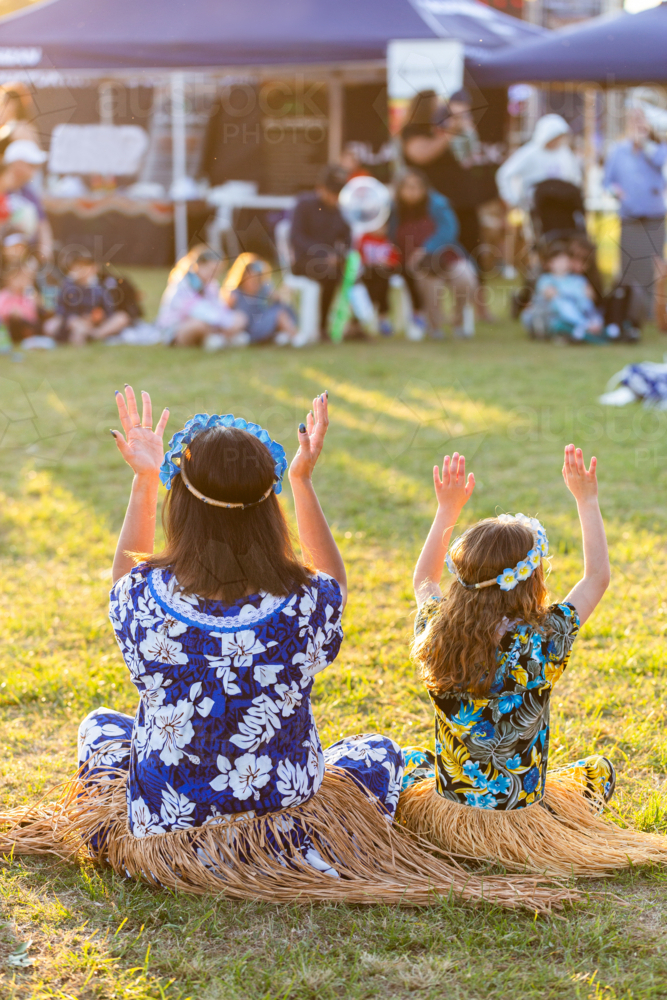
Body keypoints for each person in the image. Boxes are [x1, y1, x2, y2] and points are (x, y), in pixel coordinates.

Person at [395, 447, 667, 876]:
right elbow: (597, 577)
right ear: (532, 580)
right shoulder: (543, 639)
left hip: (448, 813)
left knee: (408, 761)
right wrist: (587, 500)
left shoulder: (435, 628)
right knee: (598, 773)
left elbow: (423, 580)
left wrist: (447, 508)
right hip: (521, 817)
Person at [391, 169, 477, 339]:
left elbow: (449, 230)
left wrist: (426, 249)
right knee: (431, 283)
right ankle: (435, 326)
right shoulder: (395, 210)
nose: (413, 191)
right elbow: (391, 236)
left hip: (446, 256)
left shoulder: (437, 204)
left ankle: (458, 321)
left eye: (417, 187)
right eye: (408, 187)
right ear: (399, 190)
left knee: (466, 278)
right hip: (417, 264)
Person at [604, 107, 667, 312]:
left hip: (654, 216)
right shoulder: (618, 151)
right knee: (629, 266)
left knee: (653, 266)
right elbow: (607, 181)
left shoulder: (658, 148)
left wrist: (645, 145)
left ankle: (653, 310)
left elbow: (660, 161)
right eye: (634, 121)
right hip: (630, 217)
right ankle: (629, 310)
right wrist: (619, 194)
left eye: (642, 121)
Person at [289, 165, 351, 340]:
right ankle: (322, 326)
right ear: (320, 188)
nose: (335, 197)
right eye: (332, 192)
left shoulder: (340, 211)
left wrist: (341, 256)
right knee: (329, 274)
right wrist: (323, 255)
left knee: (355, 274)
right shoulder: (304, 205)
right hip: (304, 262)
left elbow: (347, 239)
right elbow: (296, 238)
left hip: (332, 263)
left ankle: (354, 325)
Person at [156, 246, 248, 349]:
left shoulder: (212, 285)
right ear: (199, 265)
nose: (214, 274)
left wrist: (233, 320)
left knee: (240, 317)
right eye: (212, 270)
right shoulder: (183, 284)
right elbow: (198, 311)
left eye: (218, 271)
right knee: (199, 324)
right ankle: (219, 338)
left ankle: (217, 338)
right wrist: (227, 322)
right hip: (178, 327)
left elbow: (219, 307)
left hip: (210, 322)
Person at [521, 241, 606, 343]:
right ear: (549, 264)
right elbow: (552, 296)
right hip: (552, 316)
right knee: (561, 303)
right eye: (558, 261)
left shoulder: (577, 280)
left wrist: (583, 295)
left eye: (564, 260)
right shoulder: (546, 279)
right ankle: (584, 326)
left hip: (577, 310)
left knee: (584, 302)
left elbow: (589, 296)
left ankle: (592, 325)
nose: (562, 264)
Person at [497, 114, 582, 213]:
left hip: (561, 206)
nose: (557, 141)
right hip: (536, 207)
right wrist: (512, 200)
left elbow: (575, 177)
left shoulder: (565, 153)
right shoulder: (529, 153)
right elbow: (504, 174)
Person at [45, 254, 131, 345]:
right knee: (72, 326)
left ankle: (95, 335)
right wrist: (78, 318)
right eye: (79, 266)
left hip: (96, 322)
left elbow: (109, 309)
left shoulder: (100, 284)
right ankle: (81, 343)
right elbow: (62, 309)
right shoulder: (68, 285)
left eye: (86, 266)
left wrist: (96, 317)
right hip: (75, 320)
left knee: (121, 317)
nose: (82, 270)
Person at [223, 253, 302, 346]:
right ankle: (294, 336)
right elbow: (225, 313)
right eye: (250, 278)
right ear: (243, 278)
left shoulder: (264, 290)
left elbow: (279, 300)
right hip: (247, 327)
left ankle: (291, 335)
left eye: (257, 279)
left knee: (280, 311)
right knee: (278, 314)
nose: (253, 282)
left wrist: (282, 293)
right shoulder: (236, 294)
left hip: (262, 323)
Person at [0, 139, 54, 263]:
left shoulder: (29, 193)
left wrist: (44, 251)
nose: (36, 169)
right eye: (31, 165)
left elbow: (42, 224)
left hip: (26, 258)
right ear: (17, 164)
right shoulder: (3, 189)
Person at [358, 222, 402, 336]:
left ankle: (381, 316)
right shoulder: (364, 238)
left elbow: (395, 260)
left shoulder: (388, 241)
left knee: (382, 280)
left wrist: (386, 263)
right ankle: (379, 316)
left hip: (384, 273)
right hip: (368, 272)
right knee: (373, 280)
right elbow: (359, 256)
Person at [0, 83, 40, 156]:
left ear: (14, 105)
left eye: (3, 103)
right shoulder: (6, 127)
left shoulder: (23, 128)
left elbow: (31, 155)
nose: (1, 107)